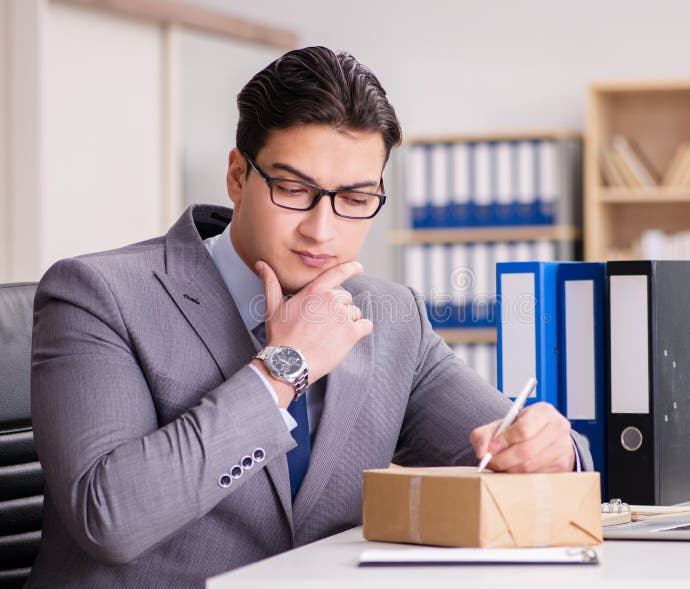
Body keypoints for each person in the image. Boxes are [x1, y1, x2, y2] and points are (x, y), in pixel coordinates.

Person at [27, 46, 592, 588]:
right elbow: (110, 516)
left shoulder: (391, 319)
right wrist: (284, 368)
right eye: (294, 189)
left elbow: (513, 452)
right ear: (237, 177)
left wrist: (552, 450)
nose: (322, 230)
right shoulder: (97, 295)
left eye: (354, 198)